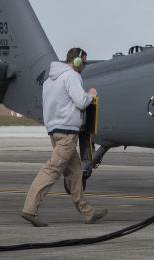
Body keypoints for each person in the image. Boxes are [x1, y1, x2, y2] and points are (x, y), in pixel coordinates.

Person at [21, 47, 106, 227]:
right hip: (67, 133)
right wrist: (91, 95)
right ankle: (29, 209)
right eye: (83, 62)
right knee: (52, 170)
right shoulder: (71, 76)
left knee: (75, 173)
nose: (84, 66)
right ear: (76, 62)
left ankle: (88, 213)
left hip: (55, 131)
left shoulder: (50, 79)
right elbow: (81, 102)